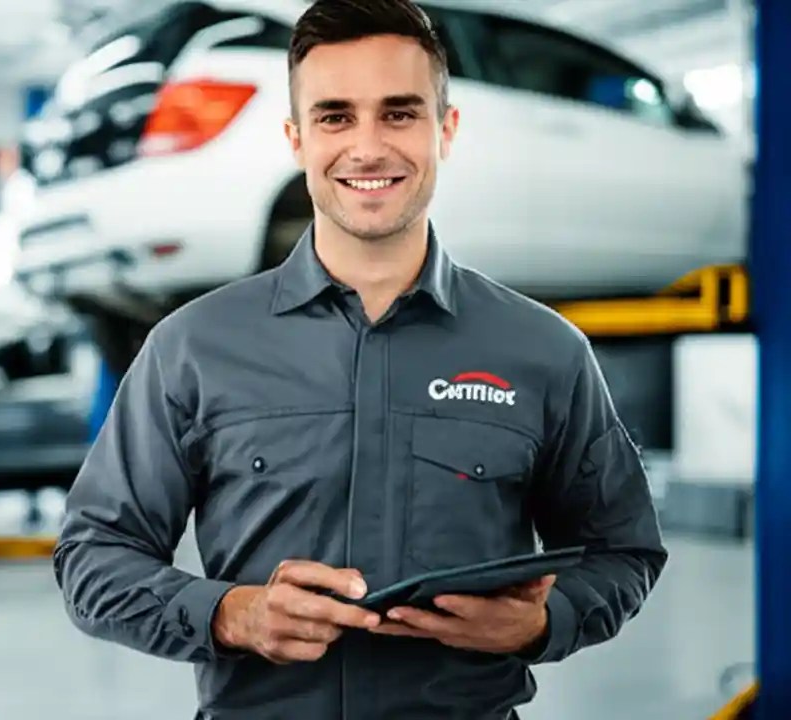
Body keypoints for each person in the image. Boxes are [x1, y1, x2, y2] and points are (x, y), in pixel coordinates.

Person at [52, 0, 668, 717]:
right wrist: (231, 613)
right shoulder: (191, 348)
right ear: (296, 138)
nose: (367, 147)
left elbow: (623, 552)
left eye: (400, 114)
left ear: (447, 130)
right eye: (335, 117)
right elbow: (93, 557)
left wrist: (542, 623)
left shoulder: (544, 351)